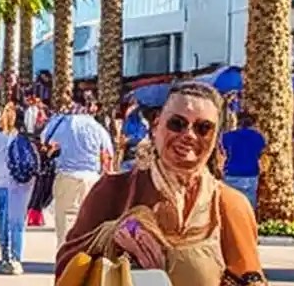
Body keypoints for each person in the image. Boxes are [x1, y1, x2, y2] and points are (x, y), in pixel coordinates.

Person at [55, 82, 262, 285]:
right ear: (156, 126)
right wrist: (111, 236)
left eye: (203, 128)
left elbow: (250, 276)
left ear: (215, 137)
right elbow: (67, 269)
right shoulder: (114, 191)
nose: (189, 135)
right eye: (177, 124)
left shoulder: (229, 205)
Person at [43, 110, 114, 250]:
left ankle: (65, 254)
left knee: (64, 221)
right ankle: (83, 255)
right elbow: (107, 155)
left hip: (67, 176)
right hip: (91, 178)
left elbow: (46, 141)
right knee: (88, 220)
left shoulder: (63, 124)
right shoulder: (97, 127)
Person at [0, 103, 35, 275]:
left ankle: (5, 255)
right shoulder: (24, 140)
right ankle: (16, 258)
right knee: (16, 224)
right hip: (19, 186)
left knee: (1, 222)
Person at [221, 112, 267, 210]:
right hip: (251, 174)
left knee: (229, 206)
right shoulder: (258, 137)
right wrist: (262, 171)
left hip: (231, 173)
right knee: (248, 207)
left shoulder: (228, 136)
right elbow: (262, 156)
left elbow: (222, 154)